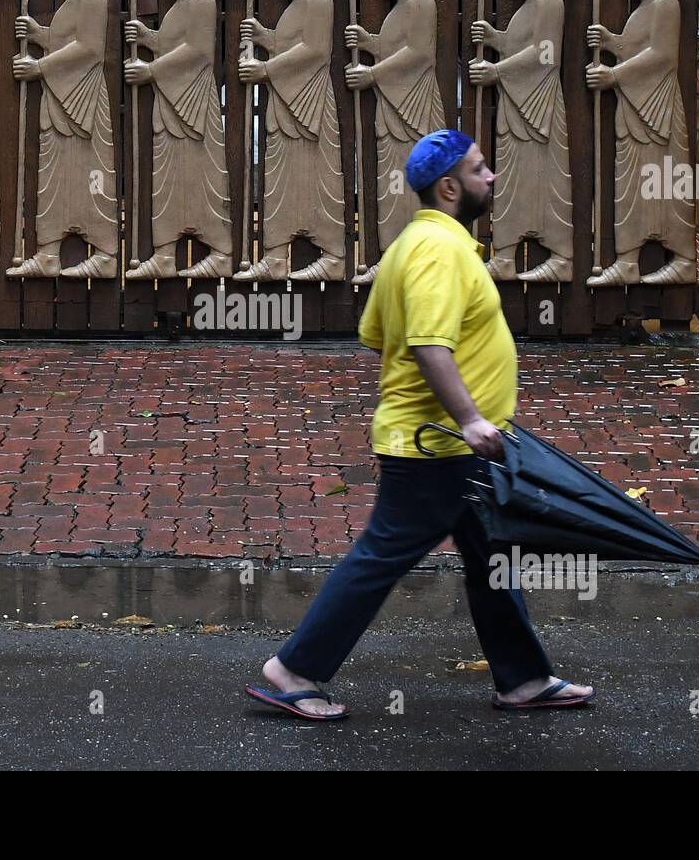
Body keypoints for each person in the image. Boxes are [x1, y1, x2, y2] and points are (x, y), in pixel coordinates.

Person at [245, 129, 594, 719]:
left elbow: (376, 335)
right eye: (481, 170)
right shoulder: (437, 251)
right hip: (438, 443)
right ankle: (296, 667)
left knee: (492, 555)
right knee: (384, 554)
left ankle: (524, 679)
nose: (492, 179)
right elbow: (428, 343)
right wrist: (470, 417)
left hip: (449, 442)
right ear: (450, 186)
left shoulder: (413, 243)